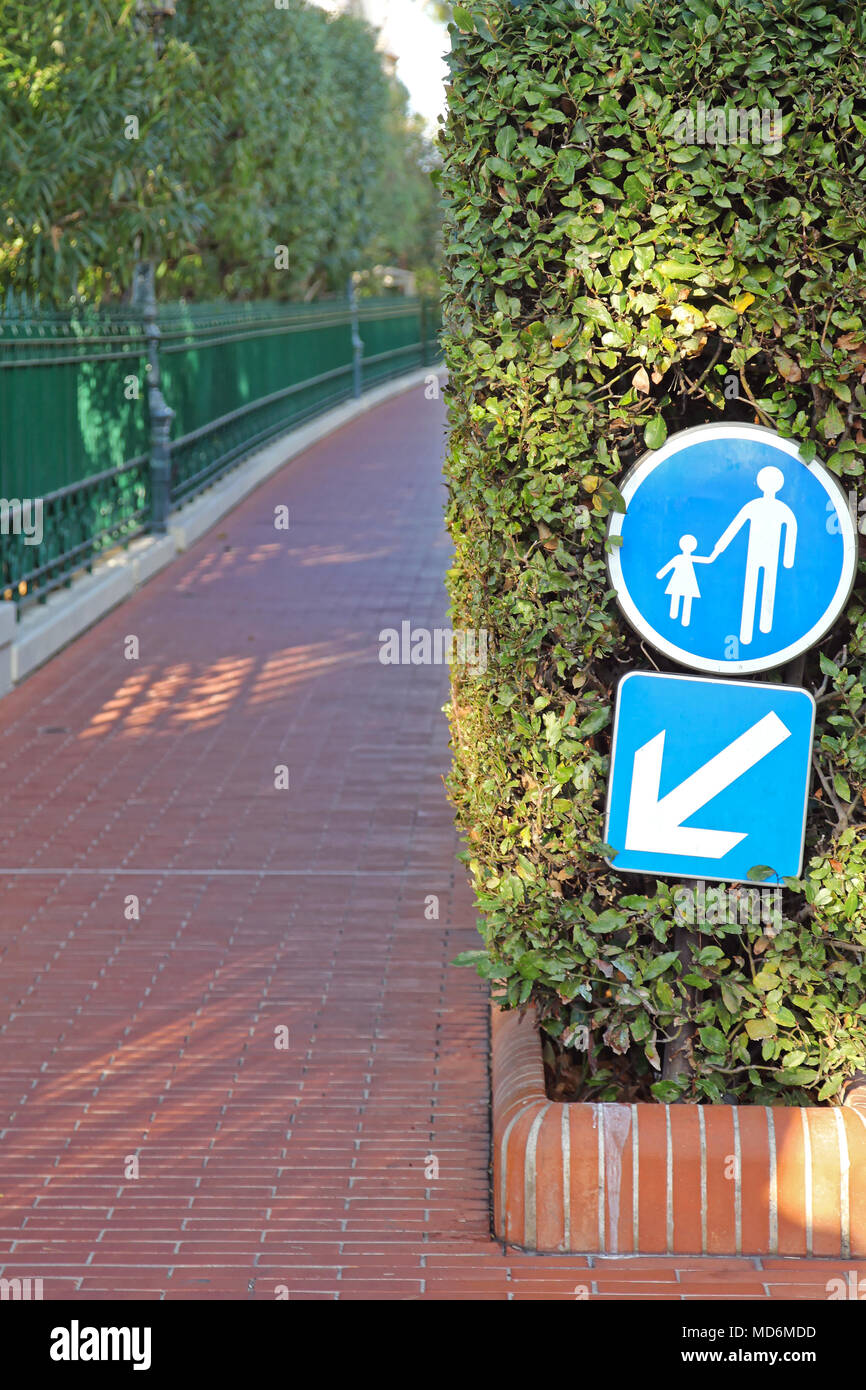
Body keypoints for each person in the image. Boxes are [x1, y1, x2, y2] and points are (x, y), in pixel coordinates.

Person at [706, 465, 796, 644]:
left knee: (763, 587)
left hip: (769, 555)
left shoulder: (773, 508)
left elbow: (791, 531)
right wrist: (719, 548)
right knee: (754, 587)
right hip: (756, 554)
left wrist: (788, 559)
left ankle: (760, 629)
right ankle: (752, 631)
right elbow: (734, 528)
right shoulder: (763, 507)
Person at [656, 534, 712, 626]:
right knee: (677, 595)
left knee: (687, 597)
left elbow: (708, 560)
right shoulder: (679, 557)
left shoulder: (685, 557)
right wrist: (661, 574)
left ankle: (684, 620)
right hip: (679, 579)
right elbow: (669, 566)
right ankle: (674, 616)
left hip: (688, 580)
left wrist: (715, 553)